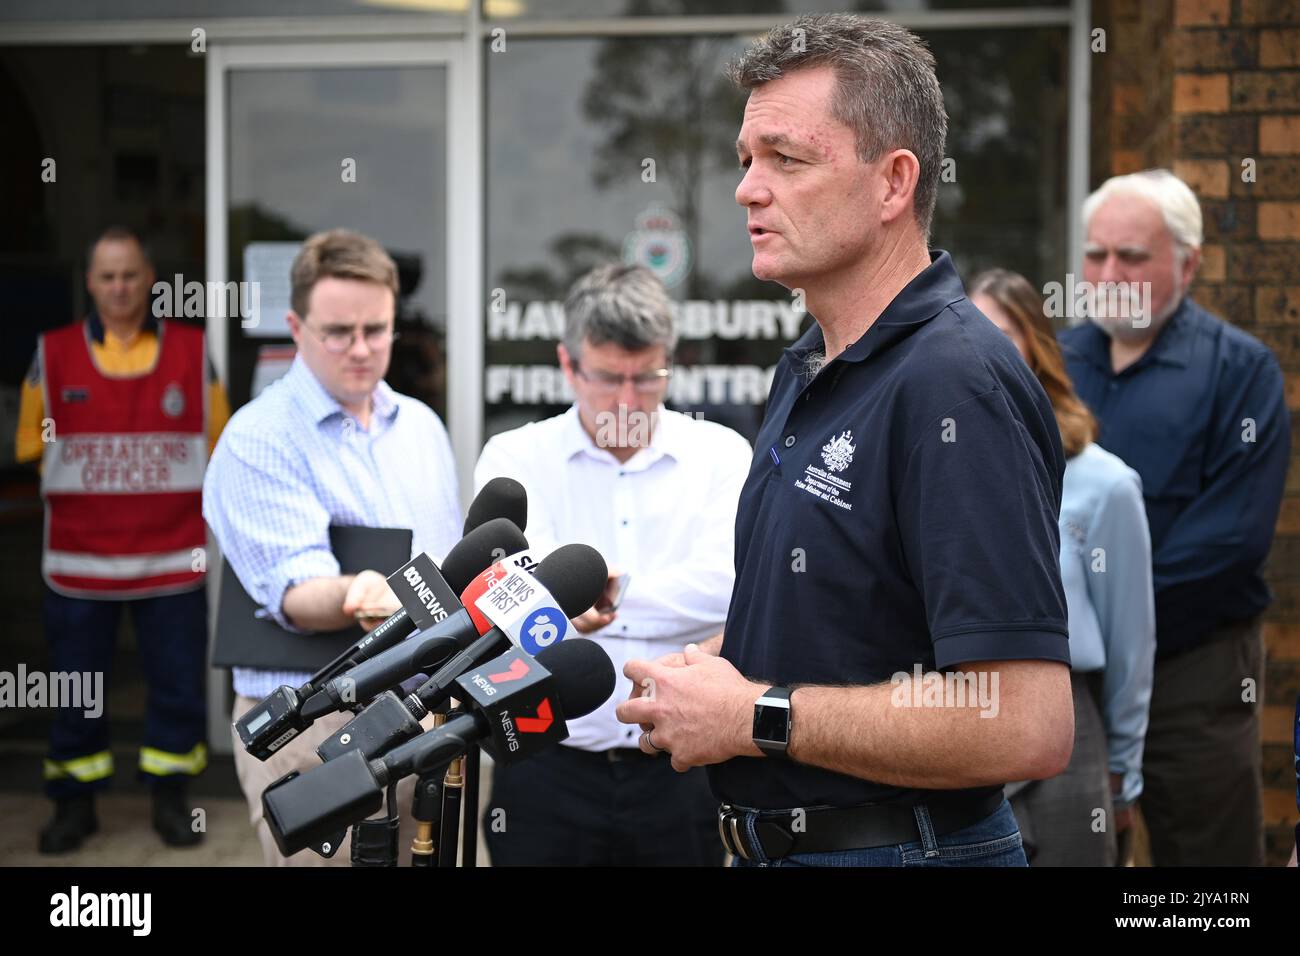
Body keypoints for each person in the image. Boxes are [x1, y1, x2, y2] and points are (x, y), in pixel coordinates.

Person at [615, 14, 1075, 867]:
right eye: (746, 160)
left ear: (894, 181)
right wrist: (719, 670)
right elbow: (864, 624)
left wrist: (754, 715)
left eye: (787, 160)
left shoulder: (954, 381)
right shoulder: (806, 366)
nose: (750, 189)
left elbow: (1023, 722)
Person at [475, 263, 752, 865]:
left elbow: (731, 591)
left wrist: (603, 594)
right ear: (567, 364)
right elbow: (514, 598)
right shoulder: (515, 456)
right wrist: (569, 605)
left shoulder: (722, 454)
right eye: (608, 378)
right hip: (545, 765)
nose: (628, 400)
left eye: (647, 378)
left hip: (683, 768)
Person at [203, 228, 462, 865]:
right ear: (295, 326)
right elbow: (295, 595)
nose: (361, 349)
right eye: (338, 332)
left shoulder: (421, 427)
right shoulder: (259, 437)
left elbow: (448, 567)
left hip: (423, 705)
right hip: (310, 718)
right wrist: (359, 592)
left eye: (377, 330)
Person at [1058, 169, 1291, 867]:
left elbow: (1231, 542)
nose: (1108, 272)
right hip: (1074, 674)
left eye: (1132, 256)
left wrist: (1111, 609)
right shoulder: (1055, 366)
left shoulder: (1240, 372)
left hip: (1194, 673)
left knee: (1206, 869)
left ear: (1187, 263)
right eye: (1096, 254)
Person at [15, 226, 231, 853]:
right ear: (89, 282)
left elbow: (217, 444)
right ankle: (74, 807)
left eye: (129, 275)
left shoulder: (194, 353)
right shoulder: (51, 354)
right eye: (106, 276)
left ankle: (170, 801)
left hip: (171, 562)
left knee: (175, 688)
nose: (118, 288)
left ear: (151, 279)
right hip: (80, 566)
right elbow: (32, 446)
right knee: (77, 688)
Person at [970, 268, 1155, 866]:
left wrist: (1123, 769)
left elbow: (1132, 643)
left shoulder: (1104, 483)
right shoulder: (938, 463)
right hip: (954, 723)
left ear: (1036, 348)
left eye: (1000, 333)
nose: (977, 348)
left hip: (1067, 734)